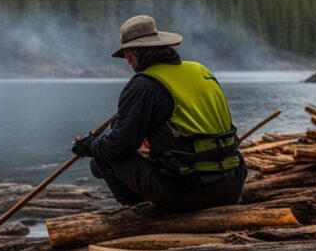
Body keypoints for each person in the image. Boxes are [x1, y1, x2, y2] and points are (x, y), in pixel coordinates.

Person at [71, 15, 245, 212]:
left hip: (193, 193)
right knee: (106, 158)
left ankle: (140, 212)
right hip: (233, 184)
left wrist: (89, 146)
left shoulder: (144, 84)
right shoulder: (200, 70)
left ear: (137, 53)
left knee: (104, 158)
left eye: (127, 53)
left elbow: (117, 147)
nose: (127, 60)